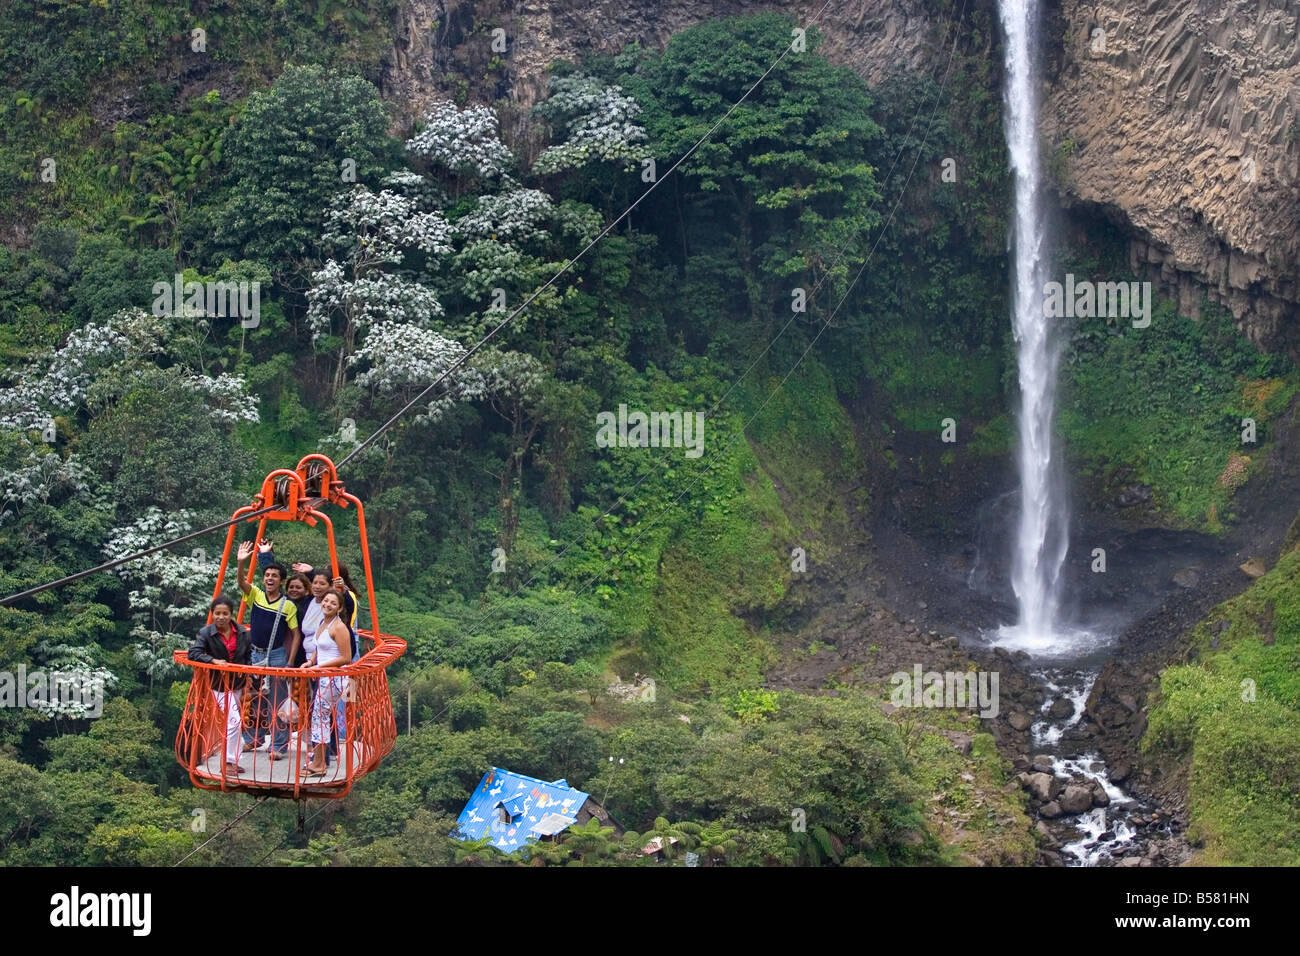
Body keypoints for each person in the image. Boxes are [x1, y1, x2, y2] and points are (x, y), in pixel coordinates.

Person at [235, 539, 301, 759]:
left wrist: (290, 663)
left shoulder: (288, 605)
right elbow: (242, 583)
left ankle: (279, 746)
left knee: (278, 701)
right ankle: (253, 738)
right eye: (267, 575)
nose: (270, 579)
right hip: (257, 653)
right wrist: (241, 564)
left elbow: (295, 634)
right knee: (256, 698)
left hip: (277, 656)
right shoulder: (257, 595)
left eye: (274, 576)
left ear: (281, 581)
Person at [188, 596, 250, 775]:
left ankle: (234, 759)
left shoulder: (242, 632)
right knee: (234, 721)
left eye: (225, 614)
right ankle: (228, 761)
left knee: (236, 721)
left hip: (237, 682)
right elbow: (194, 652)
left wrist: (249, 675)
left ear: (231, 615)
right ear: (212, 614)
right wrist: (213, 660)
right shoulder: (206, 633)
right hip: (219, 684)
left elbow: (247, 654)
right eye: (217, 614)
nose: (221, 617)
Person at [301, 590, 354, 777]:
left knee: (319, 718)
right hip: (324, 676)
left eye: (333, 603)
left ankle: (319, 763)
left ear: (339, 608)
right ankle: (318, 761)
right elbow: (319, 646)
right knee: (318, 718)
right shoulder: (323, 623)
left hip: (334, 679)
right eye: (325, 601)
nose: (328, 604)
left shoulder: (339, 627)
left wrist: (320, 667)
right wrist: (311, 662)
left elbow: (346, 657)